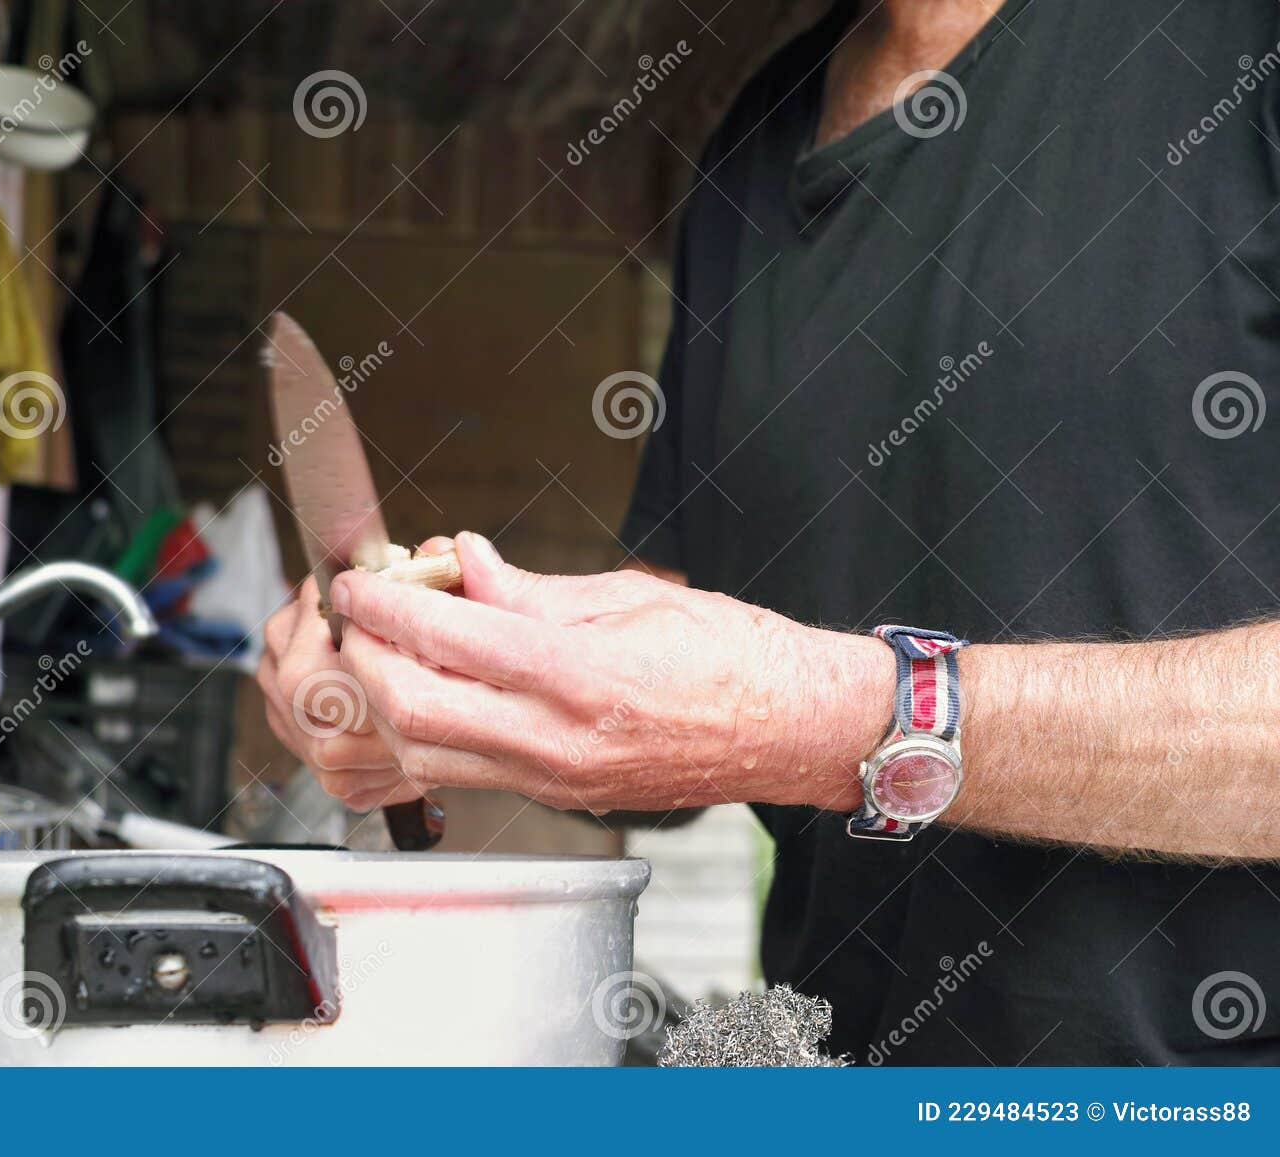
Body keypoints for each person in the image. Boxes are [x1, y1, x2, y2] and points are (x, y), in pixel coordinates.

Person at [259, 0, 1280, 1064]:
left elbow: (777, 703)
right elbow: (667, 662)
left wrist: (846, 717)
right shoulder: (755, 145)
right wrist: (438, 676)